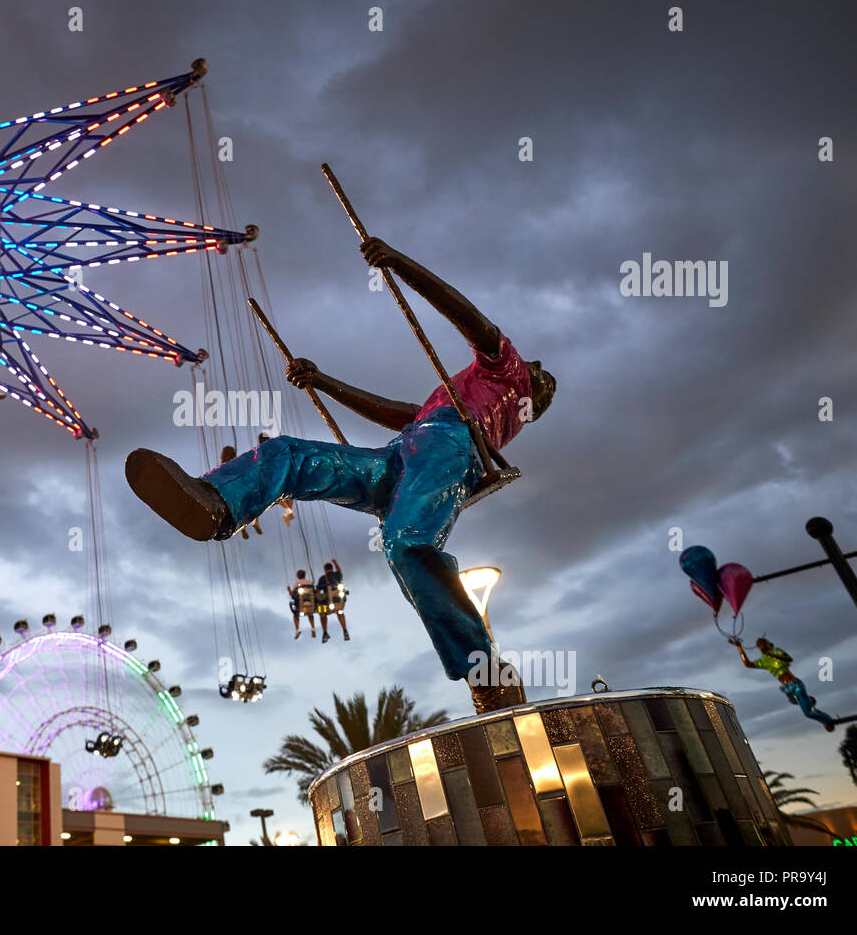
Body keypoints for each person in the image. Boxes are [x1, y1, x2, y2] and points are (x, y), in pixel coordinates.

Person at [126, 238, 555, 713]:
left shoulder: (511, 376)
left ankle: (486, 672)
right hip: (406, 452)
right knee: (289, 454)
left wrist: (400, 262)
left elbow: (469, 318)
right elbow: (399, 414)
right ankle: (217, 503)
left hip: (449, 450)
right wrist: (323, 382)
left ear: (532, 392)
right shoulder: (454, 398)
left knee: (407, 541)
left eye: (536, 370)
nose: (530, 364)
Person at [731, 637, 834, 730]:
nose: (761, 646)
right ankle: (809, 700)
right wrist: (739, 648)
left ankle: (827, 720)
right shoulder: (764, 660)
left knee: (808, 712)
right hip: (787, 688)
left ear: (767, 644)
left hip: (795, 684)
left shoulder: (776, 651)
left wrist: (775, 655)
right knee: (794, 701)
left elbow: (789, 658)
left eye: (763, 643)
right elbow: (748, 664)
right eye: (759, 645)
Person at [220, 445, 263, 538]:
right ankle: (251, 525)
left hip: (235, 489)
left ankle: (245, 527)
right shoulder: (235, 463)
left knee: (242, 508)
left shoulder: (226, 465)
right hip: (239, 488)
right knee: (249, 505)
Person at [315, 559, 349, 643]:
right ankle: (345, 630)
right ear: (332, 568)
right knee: (340, 612)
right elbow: (339, 570)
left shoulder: (323, 578)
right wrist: (335, 563)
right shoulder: (338, 575)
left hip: (327, 604)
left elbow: (318, 592)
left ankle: (325, 632)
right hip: (339, 602)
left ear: (325, 570)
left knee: (322, 613)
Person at [288, 569, 316, 639]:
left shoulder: (297, 583)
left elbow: (292, 595)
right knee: (310, 613)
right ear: (304, 575)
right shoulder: (310, 583)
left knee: (295, 615)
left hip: (300, 606)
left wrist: (289, 590)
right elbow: (314, 593)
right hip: (310, 604)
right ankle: (313, 627)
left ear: (298, 576)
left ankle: (297, 629)